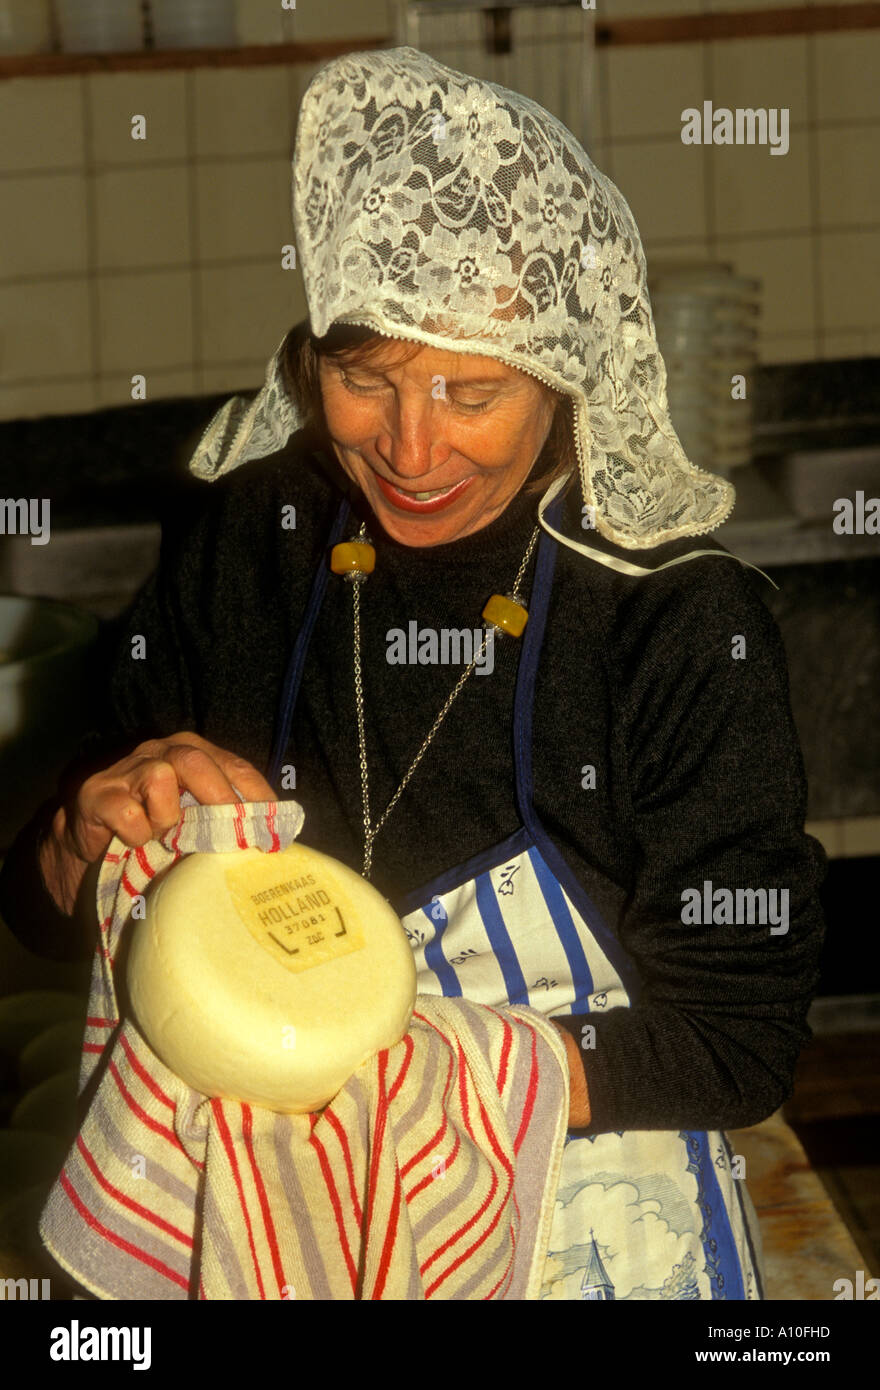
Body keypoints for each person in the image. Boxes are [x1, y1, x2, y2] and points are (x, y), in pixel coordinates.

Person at [0, 46, 826, 1301]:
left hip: (586, 1231)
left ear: (567, 373)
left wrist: (425, 1074)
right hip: (260, 1227)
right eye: (363, 379)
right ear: (308, 359)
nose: (413, 447)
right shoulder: (254, 544)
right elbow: (44, 904)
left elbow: (736, 1040)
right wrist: (83, 829)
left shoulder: (673, 622)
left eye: (473, 391)